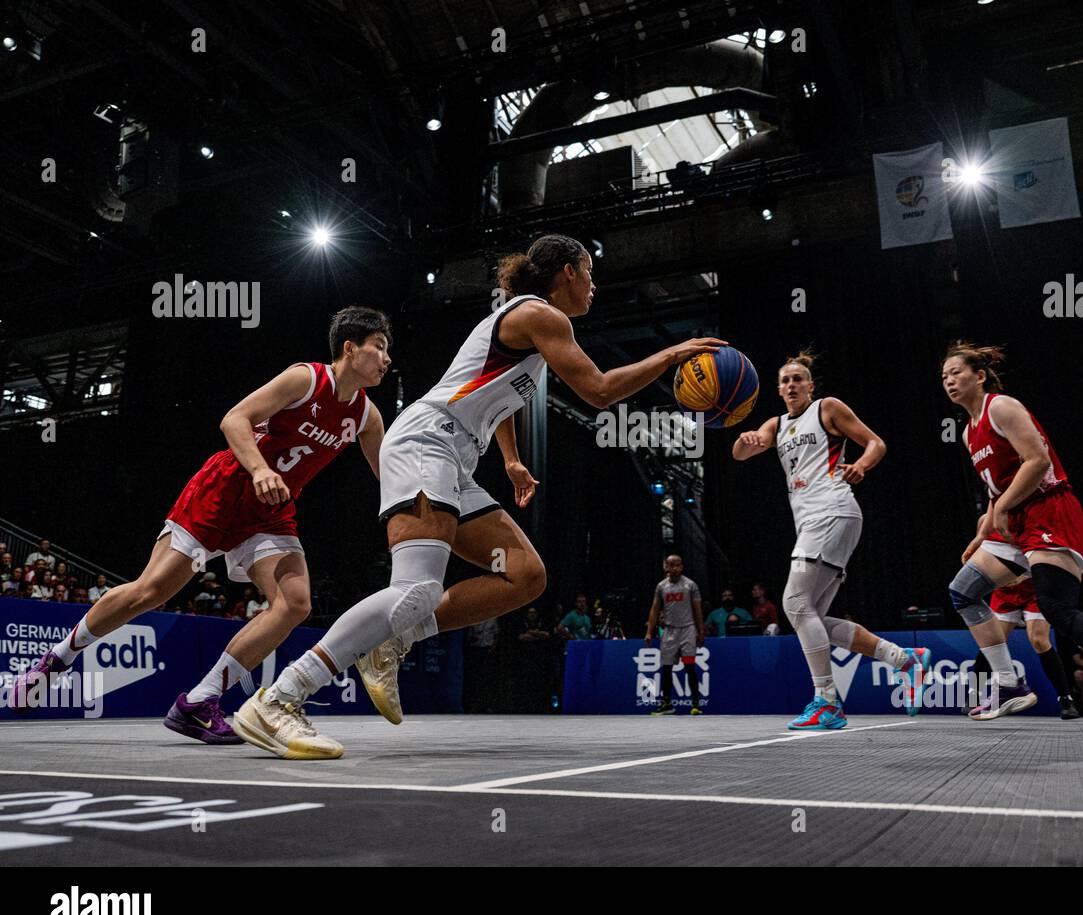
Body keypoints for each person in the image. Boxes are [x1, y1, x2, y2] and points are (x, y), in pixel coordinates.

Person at [234, 233, 725, 757]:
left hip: (453, 456)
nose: (594, 284)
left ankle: (394, 642)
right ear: (567, 272)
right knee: (416, 589)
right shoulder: (543, 316)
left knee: (525, 575)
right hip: (426, 443)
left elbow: (503, 393)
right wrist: (672, 354)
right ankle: (281, 697)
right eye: (589, 271)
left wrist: (510, 459)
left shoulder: (529, 327)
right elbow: (599, 391)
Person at [10, 307, 391, 744]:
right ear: (349, 347)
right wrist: (260, 469)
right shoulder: (305, 379)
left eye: (387, 350)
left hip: (269, 513)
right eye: (378, 347)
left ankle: (199, 702)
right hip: (227, 488)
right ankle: (55, 661)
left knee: (294, 603)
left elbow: (389, 473)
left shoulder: (367, 416)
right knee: (149, 592)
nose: (385, 359)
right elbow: (234, 418)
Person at [940, 342, 1083, 734]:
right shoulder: (967, 433)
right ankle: (1009, 683)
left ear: (979, 376)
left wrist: (1000, 511)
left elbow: (1039, 461)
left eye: (955, 373)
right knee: (963, 591)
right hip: (1013, 521)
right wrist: (984, 529)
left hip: (1050, 508)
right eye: (943, 377)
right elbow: (998, 492)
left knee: (1056, 609)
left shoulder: (1002, 407)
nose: (948, 381)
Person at [733, 351, 926, 730]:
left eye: (798, 379)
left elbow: (876, 443)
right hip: (813, 521)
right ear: (778, 388)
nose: (791, 385)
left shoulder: (826, 409)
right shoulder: (776, 425)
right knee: (812, 616)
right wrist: (748, 438)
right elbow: (740, 454)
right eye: (785, 380)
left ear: (810, 386)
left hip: (833, 509)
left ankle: (826, 701)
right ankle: (902, 658)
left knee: (793, 602)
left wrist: (861, 465)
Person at [986, 577, 1080, 719]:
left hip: (1037, 589)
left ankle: (1066, 700)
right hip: (1005, 591)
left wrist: (1022, 576)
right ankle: (974, 696)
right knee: (992, 642)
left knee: (1039, 640)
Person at [644, 554, 706, 715]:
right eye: (671, 565)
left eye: (677, 565)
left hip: (687, 629)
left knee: (690, 667)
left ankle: (695, 704)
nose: (674, 568)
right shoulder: (661, 587)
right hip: (669, 631)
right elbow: (654, 610)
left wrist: (701, 631)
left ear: (682, 566)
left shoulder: (690, 585)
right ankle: (667, 704)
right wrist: (649, 632)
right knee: (666, 668)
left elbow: (697, 610)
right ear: (666, 567)